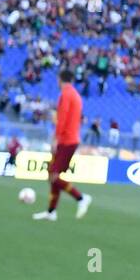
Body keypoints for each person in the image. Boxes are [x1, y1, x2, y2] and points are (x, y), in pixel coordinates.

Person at [32, 69, 92, 221]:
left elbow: (62, 119)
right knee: (53, 173)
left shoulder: (65, 95)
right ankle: (51, 212)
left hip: (66, 140)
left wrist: (55, 139)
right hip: (71, 139)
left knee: (53, 175)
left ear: (60, 80)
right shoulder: (76, 96)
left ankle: (81, 198)